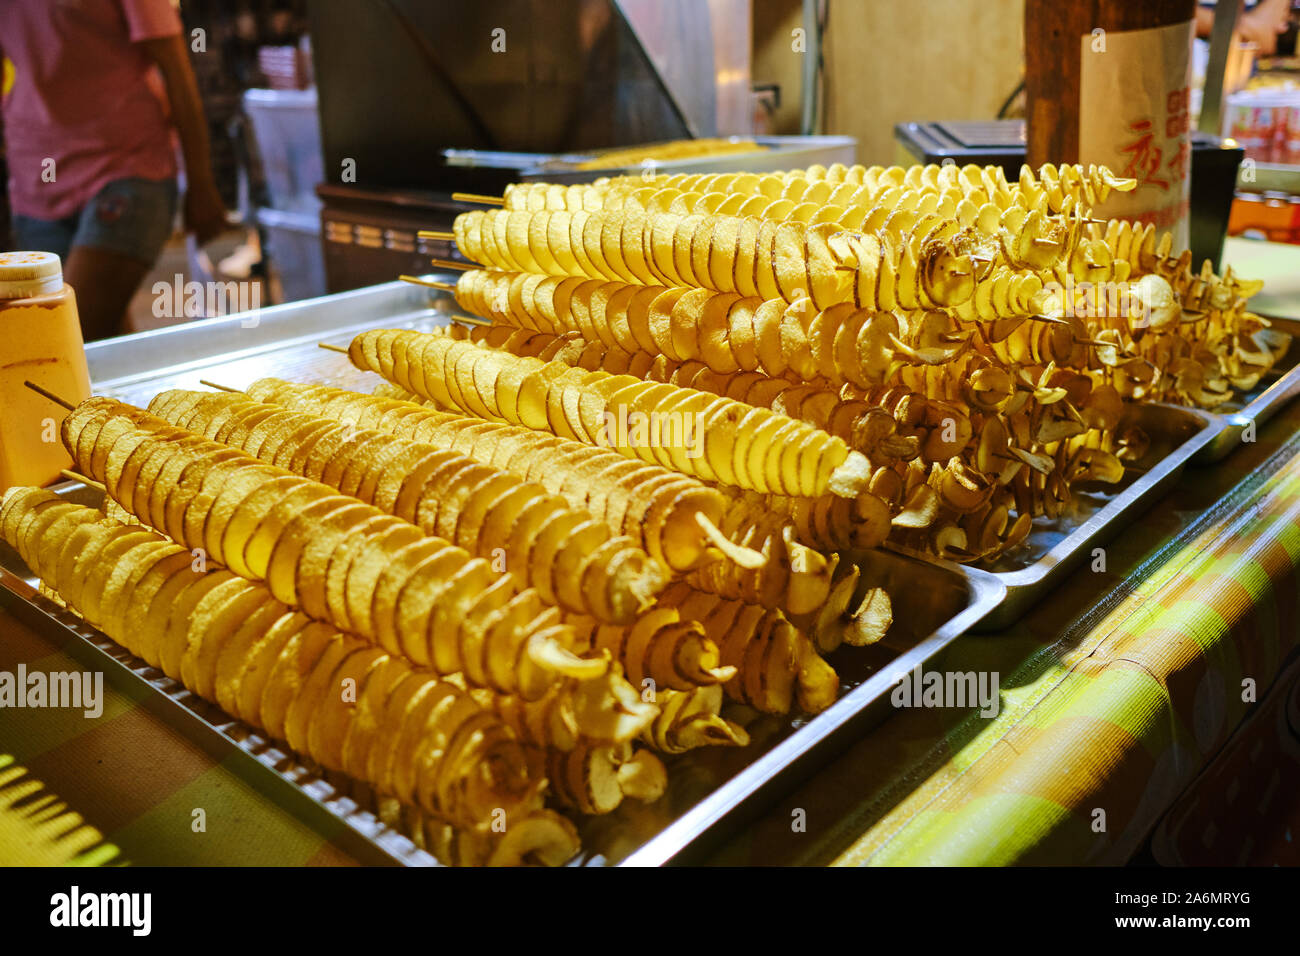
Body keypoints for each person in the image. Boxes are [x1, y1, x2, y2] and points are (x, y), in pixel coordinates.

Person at [0, 0, 227, 340]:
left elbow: (177, 72)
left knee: (62, 334)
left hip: (126, 167)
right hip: (34, 181)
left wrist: (201, 183)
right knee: (98, 346)